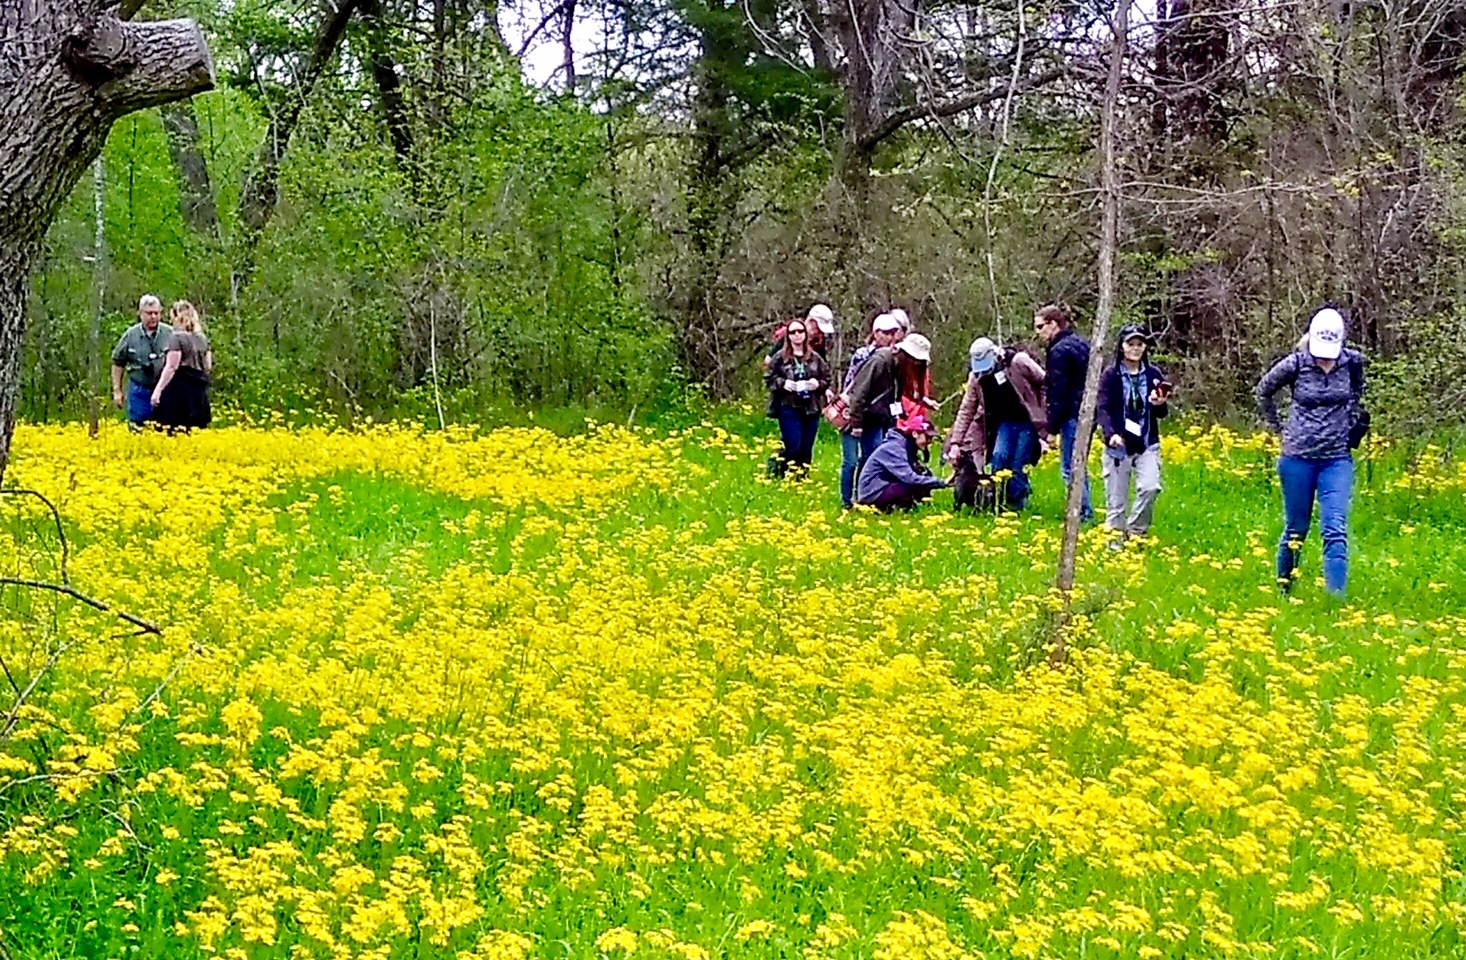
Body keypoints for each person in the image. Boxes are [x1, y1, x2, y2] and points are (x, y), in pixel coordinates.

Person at [1255, 307, 1366, 597]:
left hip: (1336, 458)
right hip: (1297, 458)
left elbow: (1357, 392)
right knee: (1296, 529)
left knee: (1335, 529)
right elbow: (1263, 390)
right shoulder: (1296, 364)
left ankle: (1335, 600)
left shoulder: (1353, 363)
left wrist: (1351, 422)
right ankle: (1284, 589)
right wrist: (1278, 427)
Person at [945, 337, 1047, 511]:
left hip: (1028, 422)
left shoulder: (1018, 362)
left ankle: (1016, 505)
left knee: (1018, 464)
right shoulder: (976, 378)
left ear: (994, 355)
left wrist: (1044, 424)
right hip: (1004, 423)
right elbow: (967, 409)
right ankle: (998, 502)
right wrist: (955, 443)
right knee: (998, 458)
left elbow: (1045, 383)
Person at [1096, 324, 1169, 539]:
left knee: (1150, 487)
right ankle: (1114, 545)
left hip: (1147, 443)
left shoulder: (1153, 374)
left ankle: (1137, 532)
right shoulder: (1111, 375)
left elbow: (1161, 413)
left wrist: (1159, 403)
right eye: (1131, 344)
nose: (1136, 349)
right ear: (1121, 347)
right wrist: (1110, 434)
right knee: (1116, 503)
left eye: (1140, 344)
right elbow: (1102, 407)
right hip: (1119, 446)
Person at [1035, 303, 1094, 521]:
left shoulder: (1059, 351)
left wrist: (1051, 428)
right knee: (1079, 463)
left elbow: (1059, 392)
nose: (1038, 333)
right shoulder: (1081, 344)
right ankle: (1082, 510)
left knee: (1071, 467)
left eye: (1040, 327)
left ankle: (1083, 513)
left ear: (1053, 324)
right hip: (1088, 411)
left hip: (1072, 413)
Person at [837, 313, 902, 508]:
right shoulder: (864, 355)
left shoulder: (893, 358)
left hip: (875, 416)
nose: (890, 336)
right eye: (886, 332)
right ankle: (847, 500)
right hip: (854, 413)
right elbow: (854, 387)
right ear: (875, 333)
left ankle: (864, 495)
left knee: (871, 457)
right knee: (851, 461)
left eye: (893, 332)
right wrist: (855, 420)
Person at [847, 333, 932, 464]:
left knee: (877, 457)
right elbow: (859, 392)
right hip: (867, 417)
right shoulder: (880, 361)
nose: (916, 364)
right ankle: (864, 484)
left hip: (884, 418)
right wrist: (856, 424)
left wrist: (921, 401)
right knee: (871, 458)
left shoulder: (901, 368)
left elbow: (898, 394)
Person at [765, 318, 831, 477]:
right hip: (788, 407)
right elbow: (769, 378)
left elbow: (827, 378)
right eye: (793, 332)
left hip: (811, 408)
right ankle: (783, 474)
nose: (797, 335)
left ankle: (802, 478)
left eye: (800, 331)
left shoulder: (815, 358)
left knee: (806, 447)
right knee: (793, 445)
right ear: (788, 336)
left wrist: (817, 384)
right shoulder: (780, 357)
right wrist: (783, 384)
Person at [855, 412, 950, 511]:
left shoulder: (907, 446)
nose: (930, 441)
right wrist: (942, 482)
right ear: (914, 434)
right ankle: (896, 510)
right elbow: (910, 478)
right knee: (914, 485)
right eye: (927, 437)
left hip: (883, 486)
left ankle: (910, 508)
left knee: (923, 479)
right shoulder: (895, 448)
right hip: (872, 492)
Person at [110, 295, 173, 428]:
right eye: (149, 313)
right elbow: (117, 362)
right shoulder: (130, 335)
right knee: (138, 427)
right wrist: (117, 390)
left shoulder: (170, 334)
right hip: (139, 388)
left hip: (165, 390)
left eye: (156, 313)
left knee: (165, 429)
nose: (153, 317)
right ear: (140, 314)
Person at [150, 300, 213, 433]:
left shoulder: (177, 338)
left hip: (179, 393)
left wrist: (158, 390)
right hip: (199, 391)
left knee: (174, 429)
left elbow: (171, 366)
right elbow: (208, 366)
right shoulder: (202, 339)